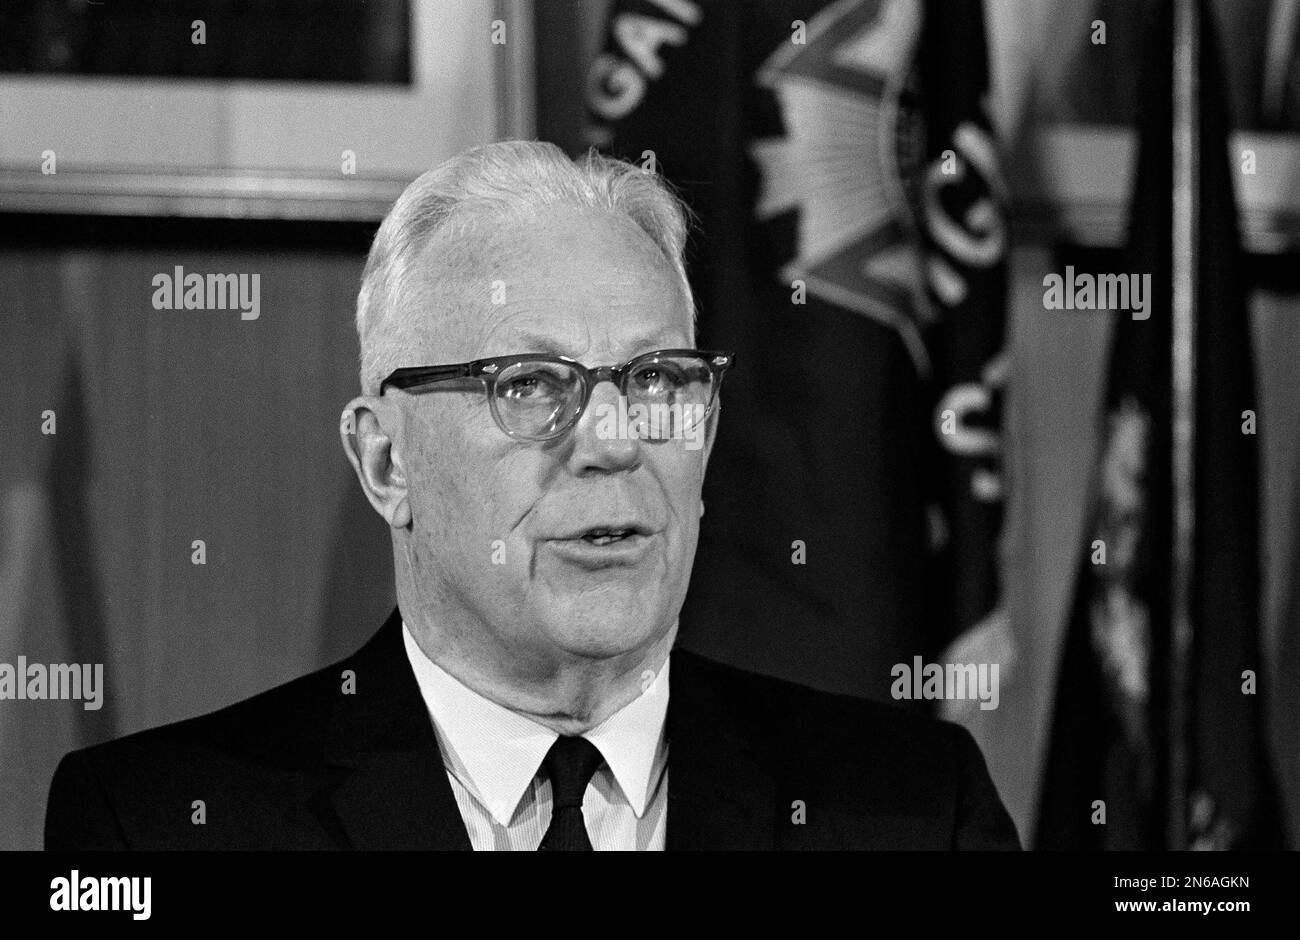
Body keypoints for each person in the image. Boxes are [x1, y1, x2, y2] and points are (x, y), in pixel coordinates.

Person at [45, 141, 1020, 851]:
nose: (615, 442)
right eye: (528, 385)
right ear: (385, 462)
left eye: (657, 379)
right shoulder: (161, 826)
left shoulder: (915, 811)